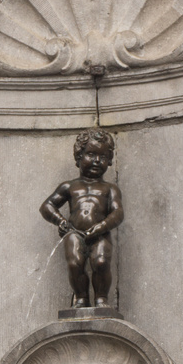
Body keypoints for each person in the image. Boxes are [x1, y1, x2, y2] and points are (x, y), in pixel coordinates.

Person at [40, 128, 124, 308]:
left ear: (109, 161)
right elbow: (47, 206)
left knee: (101, 262)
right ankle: (81, 298)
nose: (96, 161)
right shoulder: (69, 186)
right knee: (75, 263)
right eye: (91, 154)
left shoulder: (110, 189)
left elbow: (118, 213)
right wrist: (61, 221)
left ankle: (101, 298)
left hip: (100, 233)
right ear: (79, 157)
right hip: (74, 232)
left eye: (102, 156)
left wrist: (102, 227)